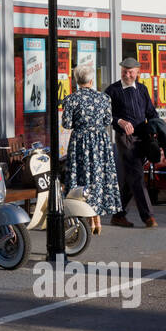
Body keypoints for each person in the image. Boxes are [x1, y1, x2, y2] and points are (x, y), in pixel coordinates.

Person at [60, 65, 120, 234]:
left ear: (76, 81)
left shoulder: (71, 99)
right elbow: (108, 120)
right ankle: (97, 219)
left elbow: (67, 124)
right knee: (98, 177)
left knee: (82, 177)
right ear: (91, 80)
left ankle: (87, 217)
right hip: (100, 141)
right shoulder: (104, 98)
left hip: (80, 141)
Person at [103, 57, 158, 228]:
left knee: (131, 177)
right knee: (137, 175)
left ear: (137, 72)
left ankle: (118, 215)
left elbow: (151, 113)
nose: (127, 74)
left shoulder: (142, 89)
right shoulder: (112, 90)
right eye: (124, 72)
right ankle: (148, 217)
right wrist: (119, 121)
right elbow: (104, 115)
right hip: (124, 139)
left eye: (130, 72)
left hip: (143, 138)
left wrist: (157, 130)